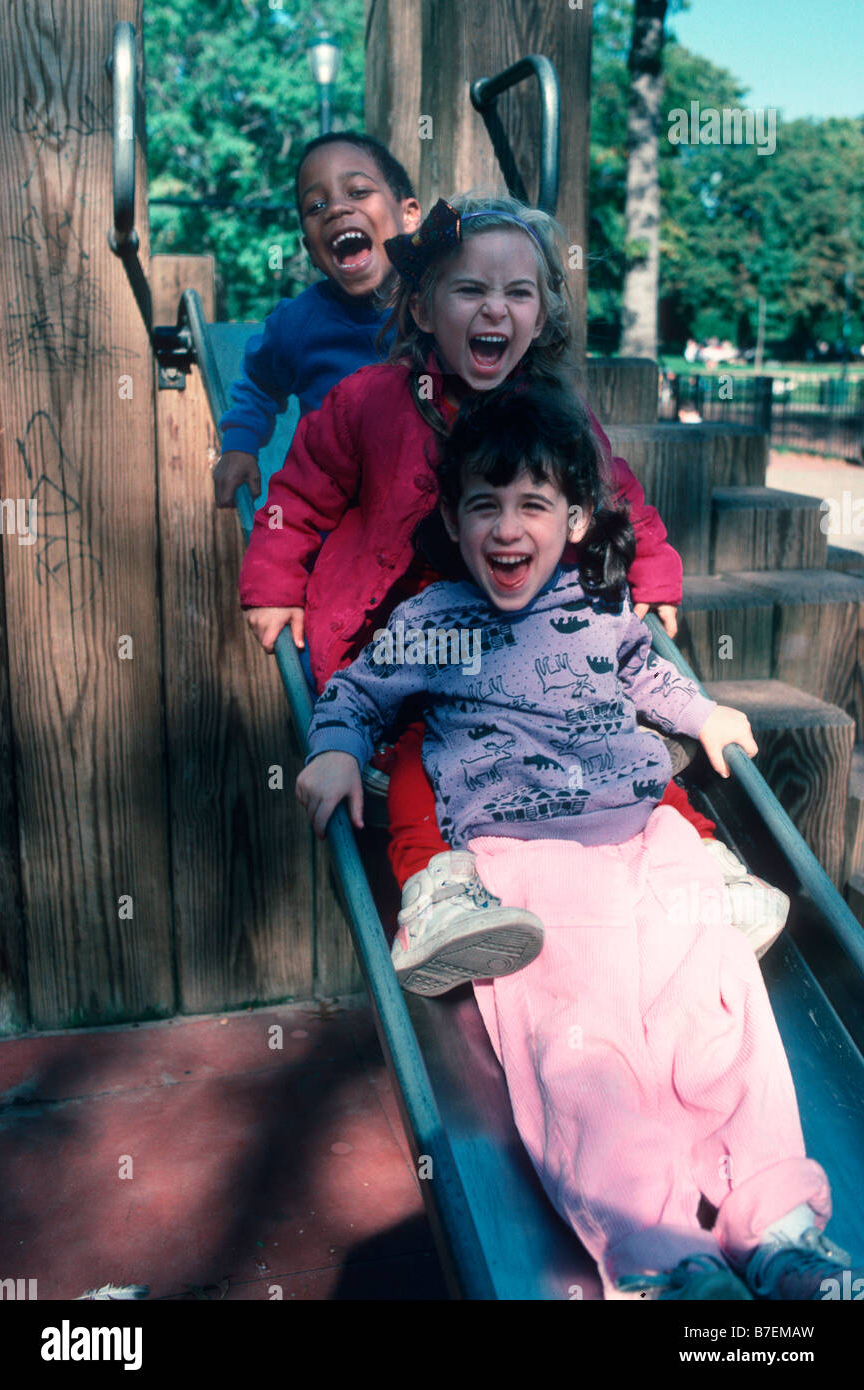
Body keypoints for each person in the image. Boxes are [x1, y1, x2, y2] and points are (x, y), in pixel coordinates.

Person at [295, 380, 858, 1301]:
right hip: (525, 858)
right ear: (452, 515)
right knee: (580, 1046)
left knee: (722, 1011)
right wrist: (332, 751)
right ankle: (659, 1253)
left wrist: (707, 714)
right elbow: (359, 692)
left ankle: (779, 1229)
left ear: (579, 518)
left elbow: (650, 679)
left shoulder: (601, 612)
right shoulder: (438, 624)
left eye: (532, 505)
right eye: (484, 504)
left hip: (649, 841)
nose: (507, 528)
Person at [239, 193, 787, 994]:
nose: (493, 308)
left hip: (533, 630)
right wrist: (272, 582)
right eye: (469, 291)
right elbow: (303, 490)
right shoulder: (367, 402)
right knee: (424, 756)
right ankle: (439, 897)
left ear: (538, 316)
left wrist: (651, 571)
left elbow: (613, 494)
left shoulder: (553, 417)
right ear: (423, 307)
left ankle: (708, 867)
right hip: (416, 641)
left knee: (622, 746)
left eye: (517, 293)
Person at [212, 132, 421, 507]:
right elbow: (259, 384)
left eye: (358, 192)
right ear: (310, 250)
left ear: (408, 216)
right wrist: (240, 445)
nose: (336, 209)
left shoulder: (446, 307)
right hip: (335, 523)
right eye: (316, 206)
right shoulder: (299, 324)